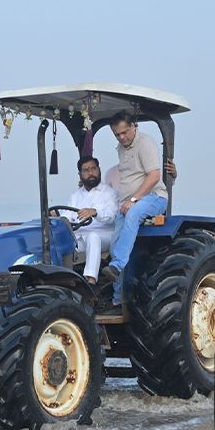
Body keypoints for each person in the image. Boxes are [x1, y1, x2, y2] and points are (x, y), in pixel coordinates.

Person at [100, 111, 168, 308]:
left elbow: (154, 176)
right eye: (117, 135)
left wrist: (134, 199)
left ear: (133, 126)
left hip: (153, 198)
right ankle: (117, 299)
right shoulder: (121, 148)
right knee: (115, 245)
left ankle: (117, 266)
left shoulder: (145, 143)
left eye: (124, 133)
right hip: (128, 203)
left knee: (132, 215)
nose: (121, 138)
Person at [53, 157, 118, 285]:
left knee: (93, 237)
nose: (91, 173)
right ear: (80, 174)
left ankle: (91, 279)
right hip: (80, 235)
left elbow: (112, 214)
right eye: (86, 170)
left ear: (99, 170)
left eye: (93, 169)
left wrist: (94, 212)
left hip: (104, 234)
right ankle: (60, 280)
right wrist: (56, 214)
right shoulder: (75, 196)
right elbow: (68, 216)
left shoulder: (110, 193)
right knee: (57, 243)